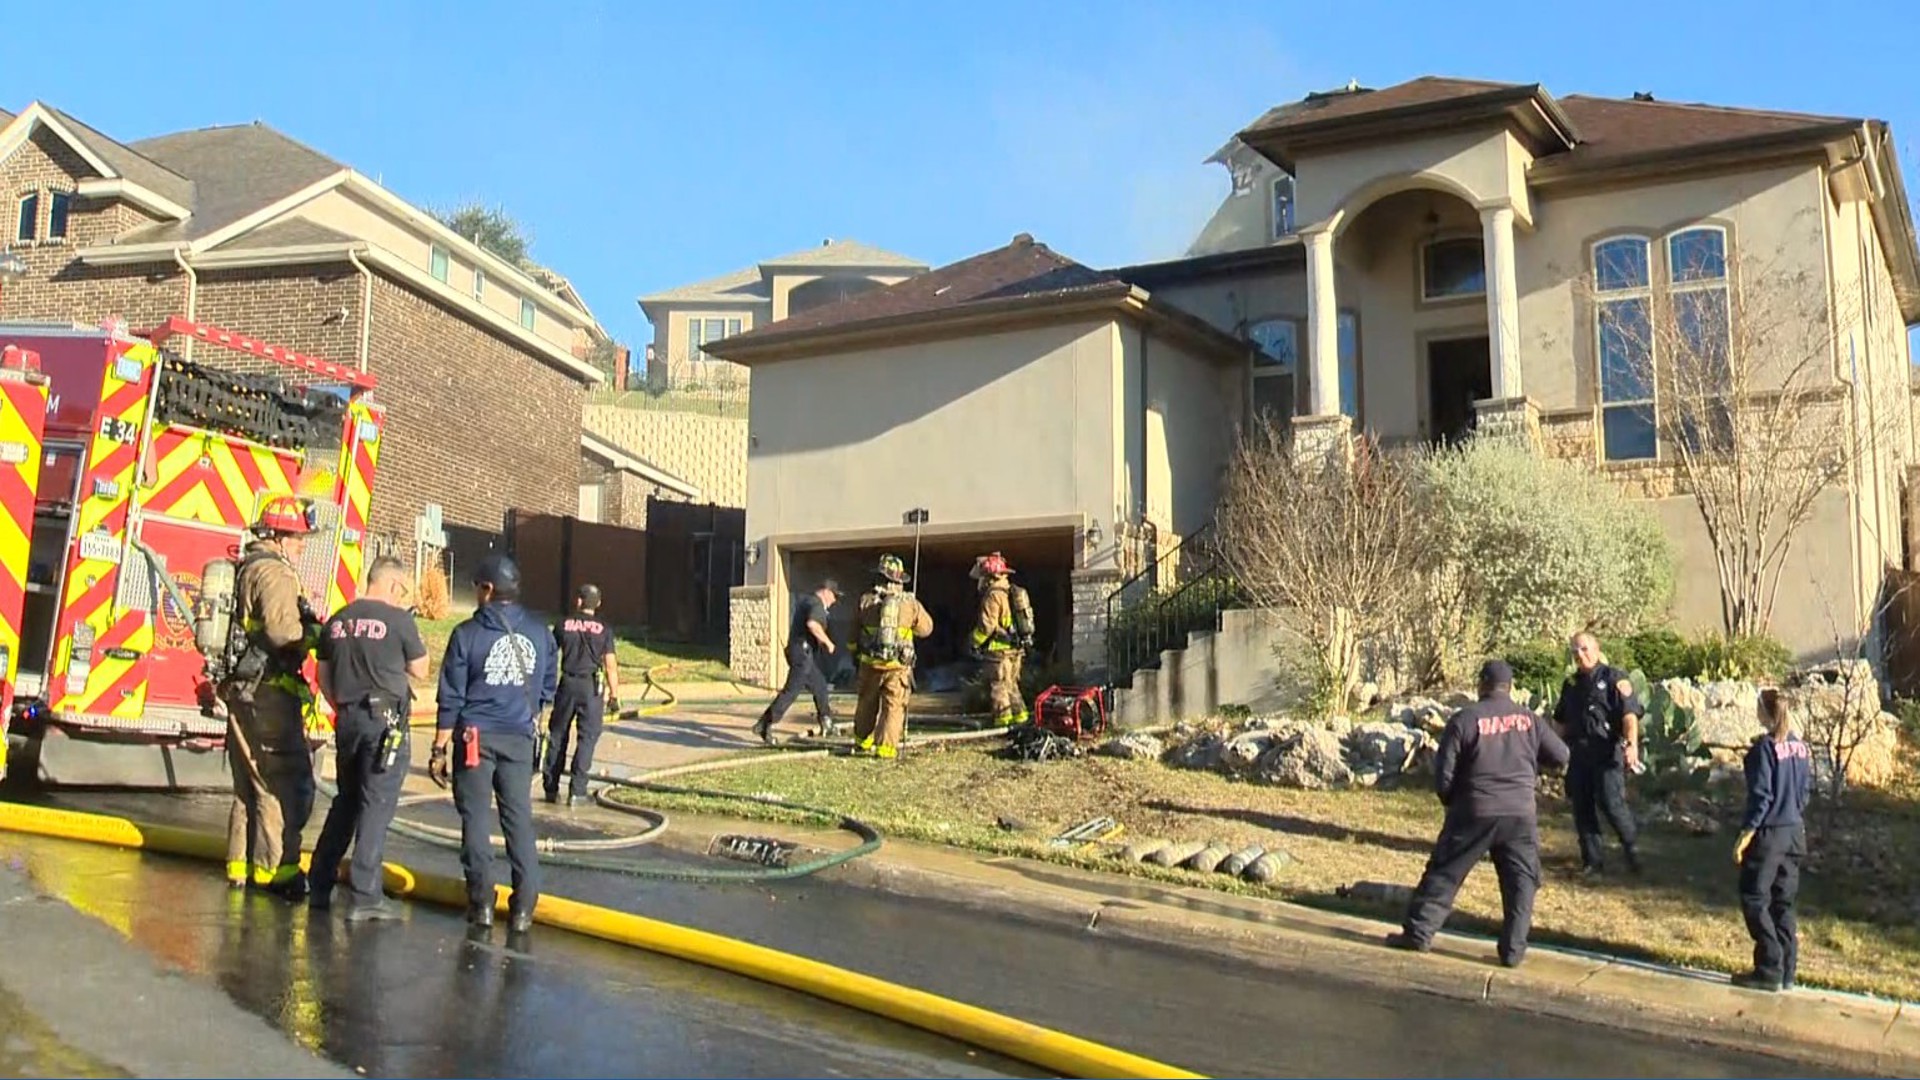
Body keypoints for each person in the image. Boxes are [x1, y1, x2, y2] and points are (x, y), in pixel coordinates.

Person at [1388, 660, 1569, 967]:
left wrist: (1453, 801)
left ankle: (1418, 934)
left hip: (1475, 809)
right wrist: (1530, 769)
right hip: (1519, 813)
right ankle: (1513, 951)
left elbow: (1444, 776)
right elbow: (1561, 756)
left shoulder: (1466, 719)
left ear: (1482, 684)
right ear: (1509, 688)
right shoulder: (1529, 720)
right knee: (1521, 882)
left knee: (1446, 872)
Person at [430, 553, 556, 933]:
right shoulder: (540, 633)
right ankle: (523, 909)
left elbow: (450, 697)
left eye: (476, 589)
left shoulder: (466, 635)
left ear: (487, 589)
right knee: (518, 821)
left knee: (476, 820)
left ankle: (482, 902)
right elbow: (547, 685)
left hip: (474, 739)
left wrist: (438, 749)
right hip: (519, 738)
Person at [308, 556, 428, 921]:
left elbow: (322, 674)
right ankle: (365, 896)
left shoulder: (338, 620)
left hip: (347, 720)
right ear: (392, 585)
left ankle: (320, 881)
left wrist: (340, 706)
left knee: (345, 802)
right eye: (402, 589)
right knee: (375, 806)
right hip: (385, 724)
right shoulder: (399, 620)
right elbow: (421, 671)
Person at [220, 494, 324, 898]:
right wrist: (317, 634)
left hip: (242, 691)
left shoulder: (247, 566)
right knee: (283, 782)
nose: (302, 545)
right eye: (298, 537)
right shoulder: (276, 574)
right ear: (279, 537)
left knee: (248, 785)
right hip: (269, 694)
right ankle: (277, 872)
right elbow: (283, 633)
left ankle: (239, 866)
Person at [1732, 688, 1812, 992]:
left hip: (1770, 833)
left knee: (1754, 897)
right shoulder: (1800, 747)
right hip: (1794, 832)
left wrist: (1747, 832)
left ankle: (1769, 966)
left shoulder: (1763, 750)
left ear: (1764, 713)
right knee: (1783, 902)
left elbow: (1761, 796)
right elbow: (1804, 792)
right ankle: (1787, 971)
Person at [1552, 632, 1643, 875]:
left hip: (1606, 751)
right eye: (1575, 652)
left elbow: (1629, 716)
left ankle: (1632, 848)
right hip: (1579, 754)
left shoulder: (1614, 678)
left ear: (1596, 648)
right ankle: (1592, 861)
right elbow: (1560, 721)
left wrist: (1632, 745)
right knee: (1582, 807)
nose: (1580, 655)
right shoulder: (1570, 684)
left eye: (1584, 649)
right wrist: (1552, 748)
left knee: (1611, 803)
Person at [542, 584, 621, 805]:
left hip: (567, 683)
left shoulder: (562, 624)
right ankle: (577, 792)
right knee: (587, 738)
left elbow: (549, 655)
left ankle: (551, 788)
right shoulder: (604, 629)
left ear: (578, 601)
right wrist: (614, 696)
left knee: (558, 735)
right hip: (591, 688)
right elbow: (610, 665)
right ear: (598, 604)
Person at [850, 554, 932, 759]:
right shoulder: (909, 604)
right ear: (899, 580)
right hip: (897, 666)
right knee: (893, 707)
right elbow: (926, 629)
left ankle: (862, 741)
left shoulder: (865, 601)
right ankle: (886, 749)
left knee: (866, 703)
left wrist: (854, 653)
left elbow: (852, 634)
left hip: (870, 665)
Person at [752, 579, 841, 746]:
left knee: (820, 685)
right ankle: (765, 724)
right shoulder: (816, 604)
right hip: (802, 654)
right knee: (791, 691)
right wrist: (828, 642)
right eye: (834, 596)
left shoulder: (807, 601)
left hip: (801, 653)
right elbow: (813, 624)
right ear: (826, 592)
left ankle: (826, 721)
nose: (835, 600)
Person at [968, 553, 1030, 727]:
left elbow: (987, 626)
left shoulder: (993, 595)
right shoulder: (1009, 591)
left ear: (989, 576)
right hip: (1014, 649)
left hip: (998, 651)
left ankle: (1002, 723)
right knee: (1011, 686)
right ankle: (1021, 719)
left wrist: (973, 642)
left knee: (999, 687)